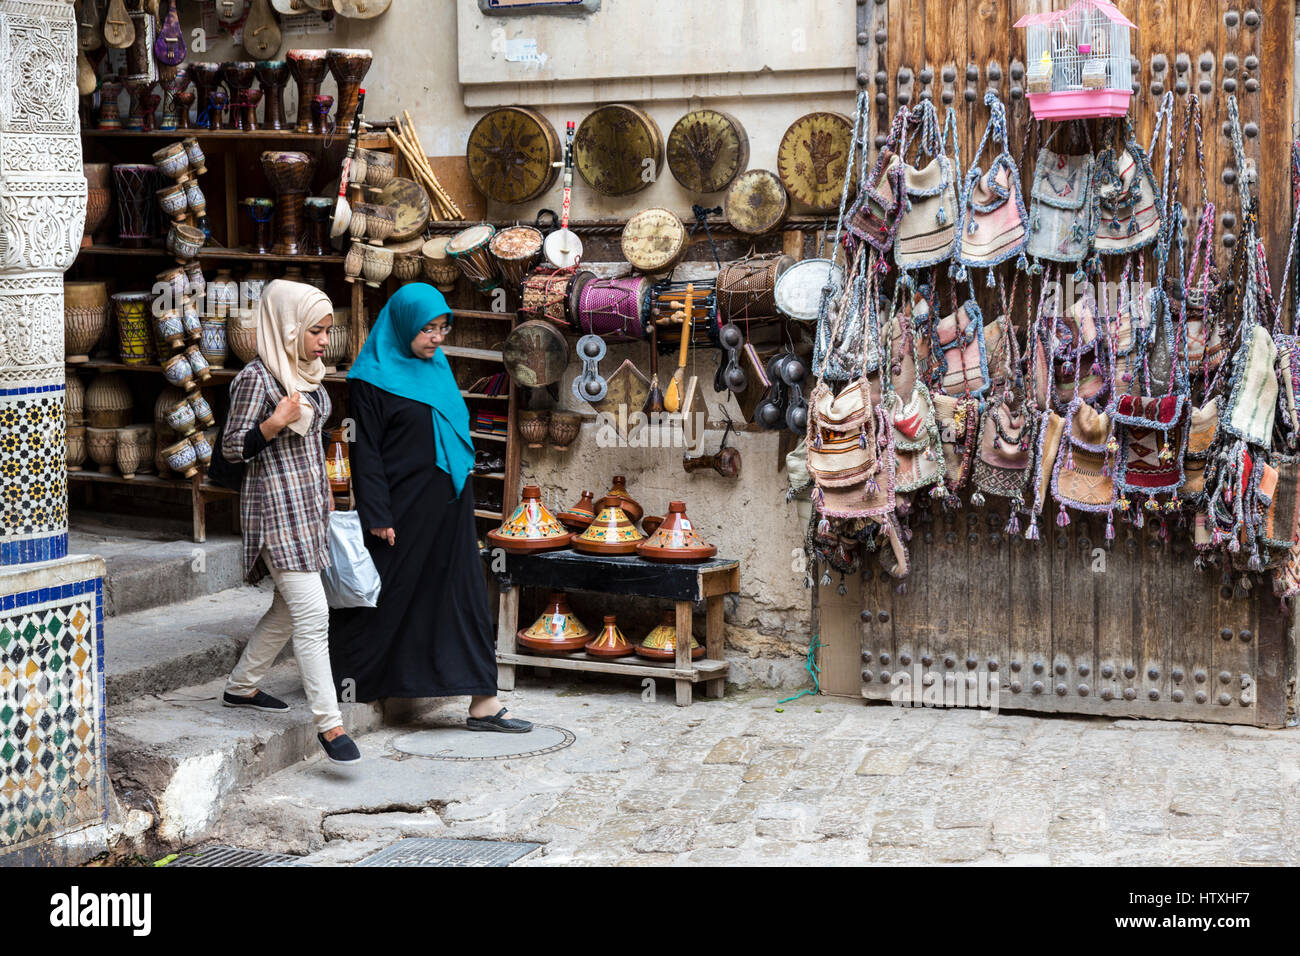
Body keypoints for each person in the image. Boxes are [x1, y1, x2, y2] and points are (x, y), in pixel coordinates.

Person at [329, 283, 531, 732]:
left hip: (449, 504)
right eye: (428, 329)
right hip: (398, 510)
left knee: (462, 593)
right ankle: (352, 681)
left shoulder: (436, 367)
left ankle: (483, 699)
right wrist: (377, 514)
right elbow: (367, 452)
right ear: (403, 326)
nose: (437, 338)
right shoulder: (369, 379)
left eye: (442, 328)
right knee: (386, 594)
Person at [220, 280, 361, 765]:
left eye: (327, 331)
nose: (325, 341)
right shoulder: (256, 379)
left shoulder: (309, 373)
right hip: (274, 509)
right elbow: (232, 450)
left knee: (286, 608)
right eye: (315, 331)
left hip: (307, 505)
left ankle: (241, 687)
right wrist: (274, 423)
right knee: (312, 613)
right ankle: (330, 724)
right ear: (287, 328)